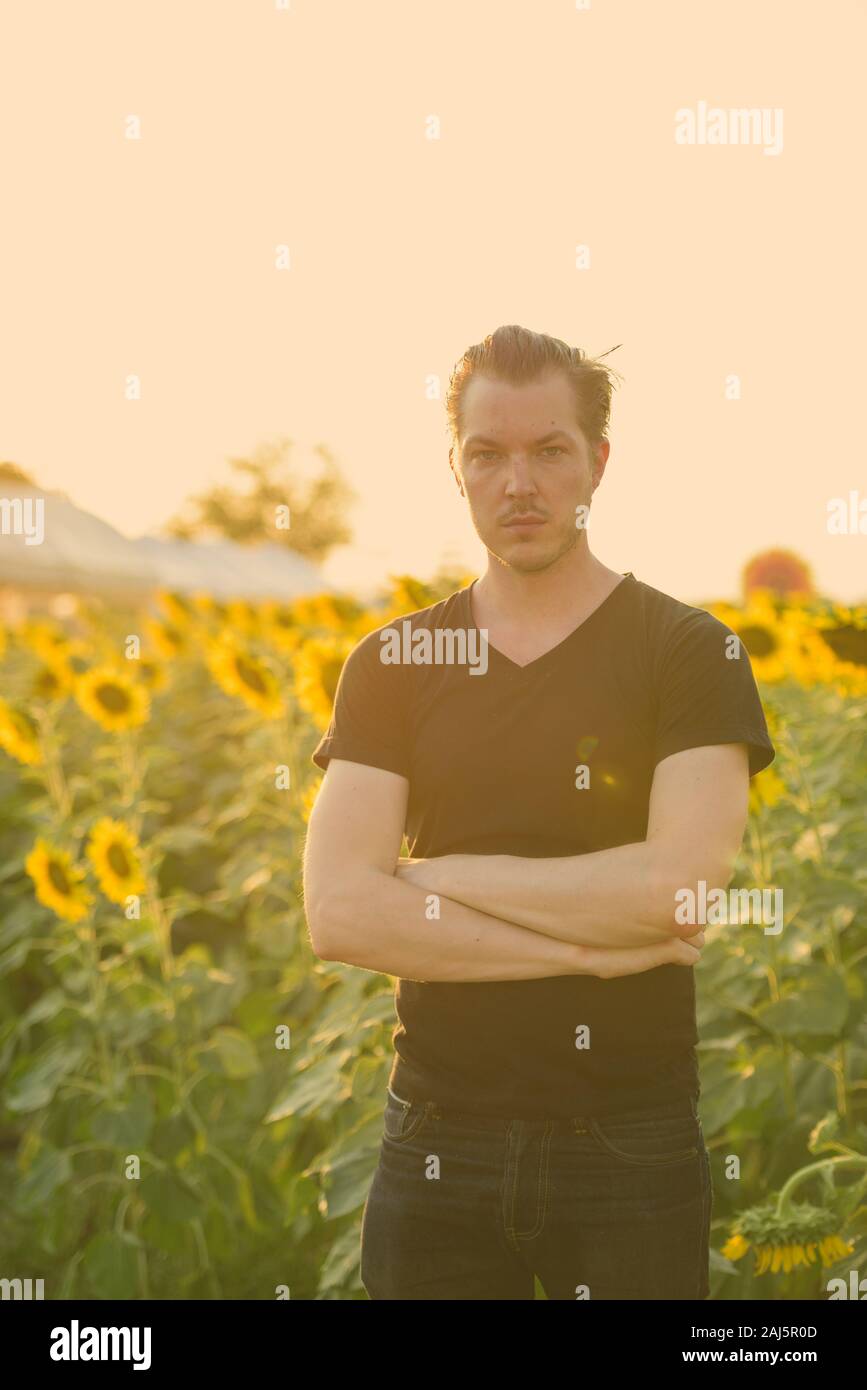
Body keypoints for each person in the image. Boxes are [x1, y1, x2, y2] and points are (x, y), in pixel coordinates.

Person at [303, 324, 775, 1300]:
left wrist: (430, 883)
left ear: (598, 461)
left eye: (549, 450)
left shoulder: (688, 653)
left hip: (627, 1148)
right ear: (456, 468)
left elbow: (679, 894)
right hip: (434, 1141)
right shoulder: (392, 664)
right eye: (488, 453)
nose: (519, 482)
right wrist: (592, 944)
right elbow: (340, 913)